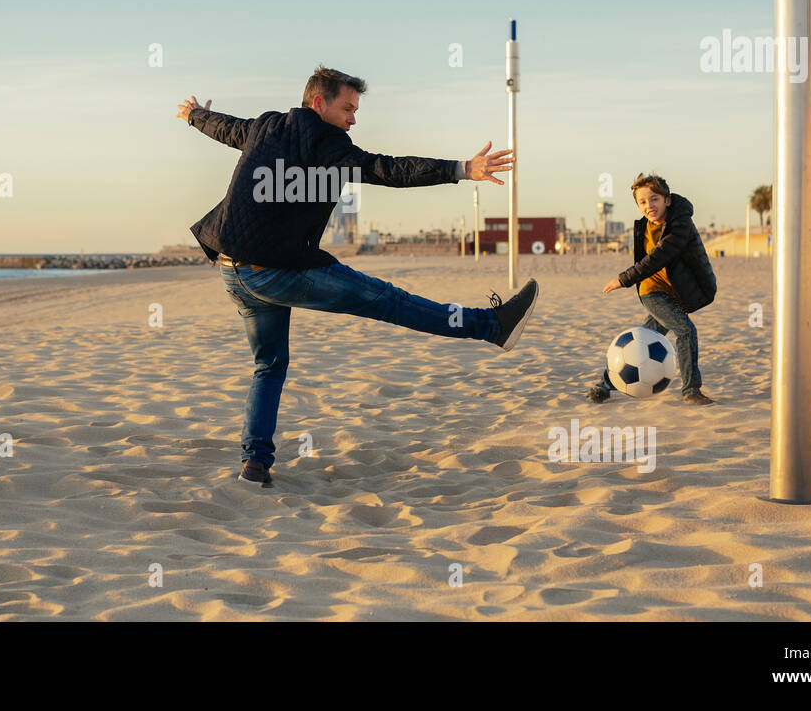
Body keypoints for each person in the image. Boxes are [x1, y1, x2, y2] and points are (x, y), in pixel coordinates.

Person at [178, 65, 540, 487]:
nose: (354, 119)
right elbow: (387, 169)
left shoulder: (265, 125)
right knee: (389, 300)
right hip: (277, 272)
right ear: (319, 103)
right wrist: (461, 168)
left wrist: (193, 116)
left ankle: (254, 465)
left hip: (232, 270)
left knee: (269, 365)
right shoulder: (327, 143)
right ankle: (491, 326)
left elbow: (225, 127)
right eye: (348, 108)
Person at [587, 173, 716, 405]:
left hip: (675, 291)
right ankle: (691, 391)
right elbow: (651, 262)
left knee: (642, 340)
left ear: (667, 200)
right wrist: (627, 280)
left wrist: (623, 279)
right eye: (642, 202)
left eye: (654, 199)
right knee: (686, 331)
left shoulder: (681, 223)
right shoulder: (643, 226)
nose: (649, 206)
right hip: (652, 291)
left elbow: (661, 255)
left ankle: (605, 385)